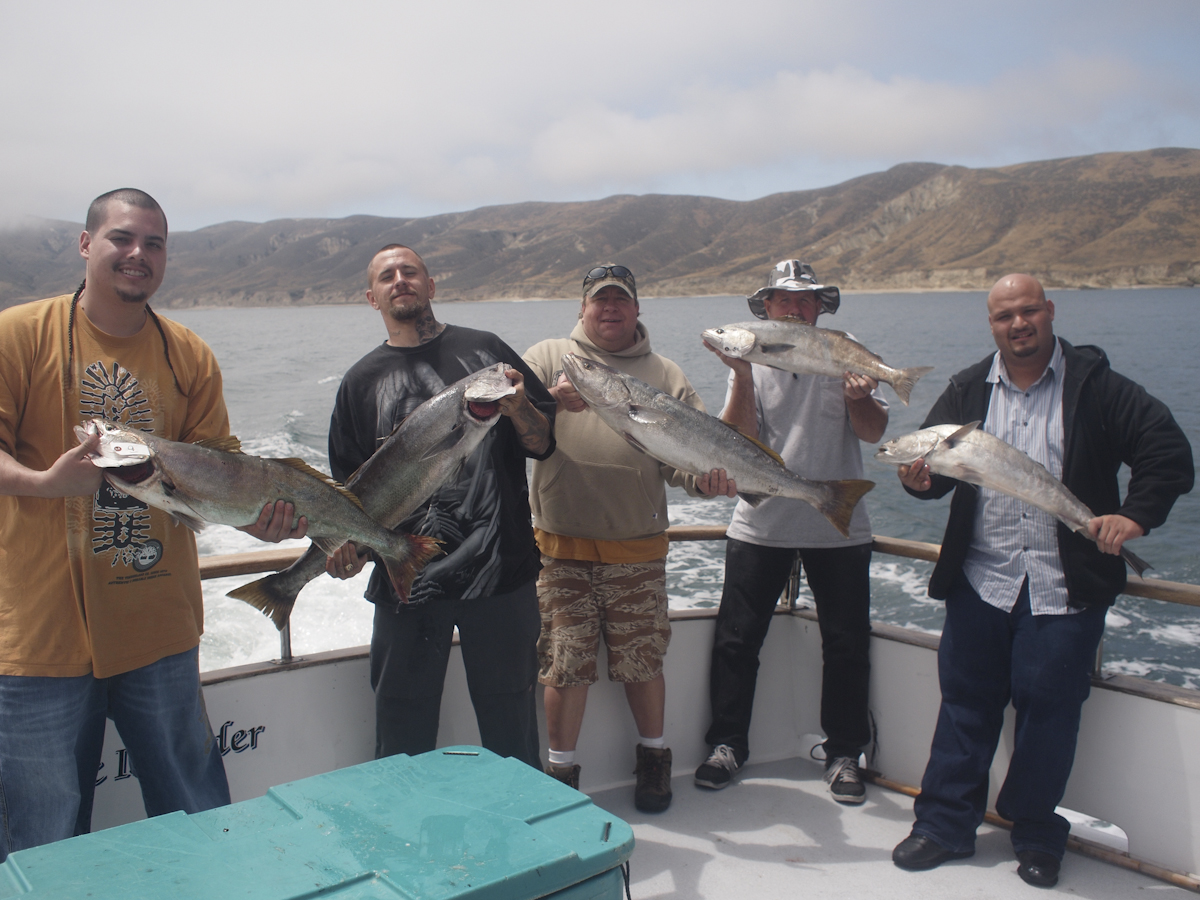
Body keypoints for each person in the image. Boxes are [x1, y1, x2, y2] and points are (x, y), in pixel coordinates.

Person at [0, 189, 305, 861]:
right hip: (39, 639)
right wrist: (44, 484)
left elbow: (220, 470)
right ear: (86, 245)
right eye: (122, 239)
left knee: (198, 817)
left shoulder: (188, 353)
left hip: (159, 633)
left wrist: (260, 520)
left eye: (155, 243)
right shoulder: (18, 334)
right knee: (41, 843)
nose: (138, 255)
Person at [890, 274, 1193, 888]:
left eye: (1029, 311)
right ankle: (944, 826)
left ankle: (1034, 832)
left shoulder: (1099, 387)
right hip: (983, 579)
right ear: (991, 323)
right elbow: (934, 471)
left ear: (1050, 312)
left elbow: (1168, 451)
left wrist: (1134, 516)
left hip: (1063, 586)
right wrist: (917, 481)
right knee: (965, 708)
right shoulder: (968, 389)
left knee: (1049, 714)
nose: (1018, 324)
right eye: (1005, 315)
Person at [325, 243, 555, 768]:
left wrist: (519, 408)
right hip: (407, 582)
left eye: (411, 271)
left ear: (432, 286)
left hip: (501, 578)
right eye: (387, 275)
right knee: (401, 733)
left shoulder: (487, 353)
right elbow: (348, 495)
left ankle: (522, 838)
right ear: (371, 297)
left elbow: (543, 443)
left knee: (512, 732)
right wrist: (345, 549)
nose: (400, 280)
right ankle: (405, 844)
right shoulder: (360, 382)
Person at [523, 264, 735, 812]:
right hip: (559, 550)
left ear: (637, 309)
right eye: (600, 300)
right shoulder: (550, 356)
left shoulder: (664, 375)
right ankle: (560, 773)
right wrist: (549, 399)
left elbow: (687, 461)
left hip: (638, 550)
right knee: (564, 666)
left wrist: (707, 482)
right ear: (582, 308)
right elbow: (505, 417)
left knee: (643, 662)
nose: (610, 308)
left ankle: (655, 761)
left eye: (621, 300)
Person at [697, 259, 887, 804]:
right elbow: (736, 439)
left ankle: (846, 751)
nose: (796, 308)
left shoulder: (846, 348)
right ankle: (727, 744)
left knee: (847, 645)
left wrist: (861, 398)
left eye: (806, 300)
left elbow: (873, 433)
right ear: (769, 309)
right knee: (735, 641)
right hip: (762, 521)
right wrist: (738, 374)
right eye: (785, 301)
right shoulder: (751, 354)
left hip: (840, 524)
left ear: (819, 308)